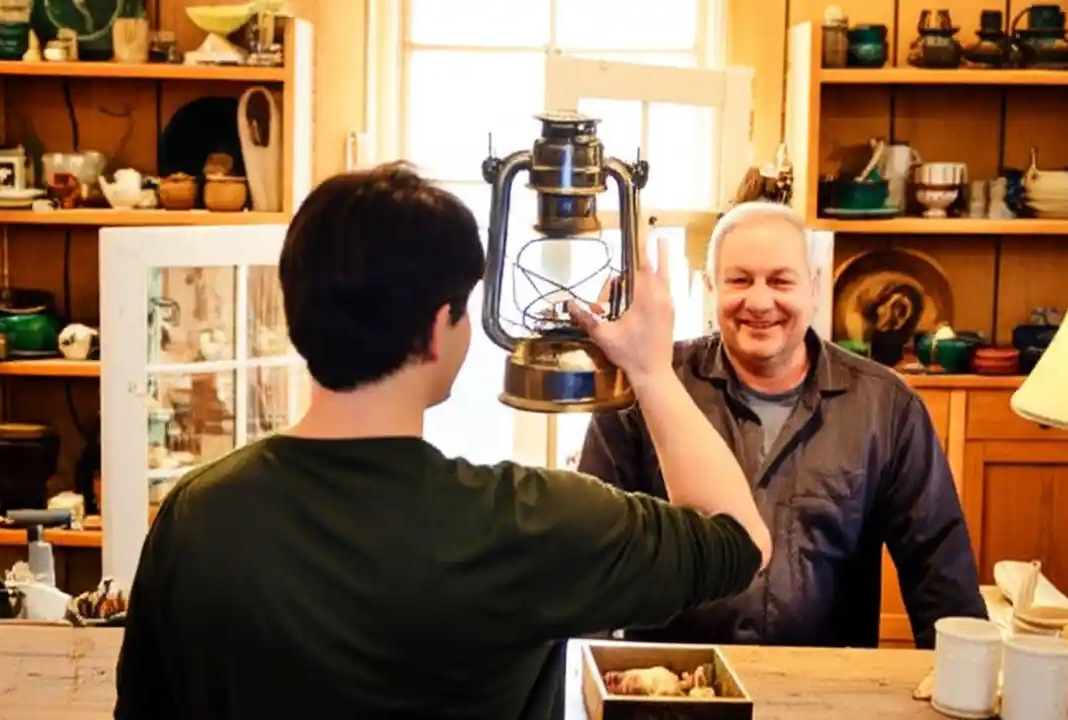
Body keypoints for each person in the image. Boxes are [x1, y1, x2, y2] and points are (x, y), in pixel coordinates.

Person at [114, 162, 773, 720]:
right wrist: (651, 370)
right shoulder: (532, 523)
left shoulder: (198, 514)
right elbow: (739, 539)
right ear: (439, 329)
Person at [577, 201, 986, 650]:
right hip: (675, 685)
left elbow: (939, 565)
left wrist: (965, 684)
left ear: (812, 287)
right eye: (738, 280)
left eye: (779, 280)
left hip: (827, 691)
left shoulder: (886, 405)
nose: (758, 301)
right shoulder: (646, 385)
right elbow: (593, 552)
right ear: (711, 287)